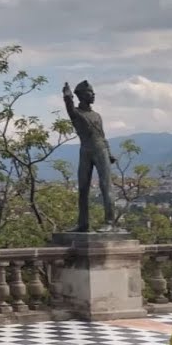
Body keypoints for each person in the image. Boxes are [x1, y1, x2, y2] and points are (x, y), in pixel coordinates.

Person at [62, 80, 117, 231]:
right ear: (80, 95)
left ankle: (110, 222)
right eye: (90, 93)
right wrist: (67, 96)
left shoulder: (97, 116)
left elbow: (102, 135)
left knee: (106, 185)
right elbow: (69, 107)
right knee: (83, 188)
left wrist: (109, 152)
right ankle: (83, 223)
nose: (93, 95)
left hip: (101, 150)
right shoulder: (77, 114)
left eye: (93, 93)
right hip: (85, 151)